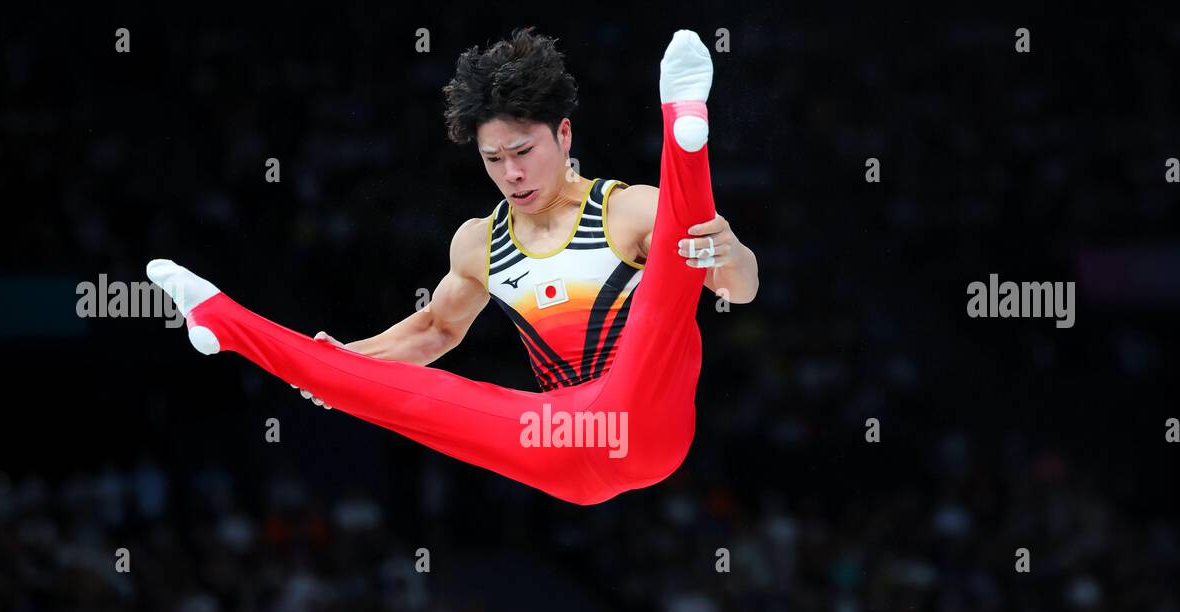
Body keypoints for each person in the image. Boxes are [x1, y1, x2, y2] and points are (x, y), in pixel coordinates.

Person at [148, 28, 759, 505]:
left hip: (646, 425)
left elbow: (741, 289)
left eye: (523, 151)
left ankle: (684, 129)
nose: (511, 173)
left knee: (679, 257)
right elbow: (435, 330)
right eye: (493, 159)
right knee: (417, 400)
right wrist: (347, 365)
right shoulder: (478, 244)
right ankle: (222, 321)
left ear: (564, 135)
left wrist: (730, 255)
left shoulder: (628, 210)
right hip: (555, 440)